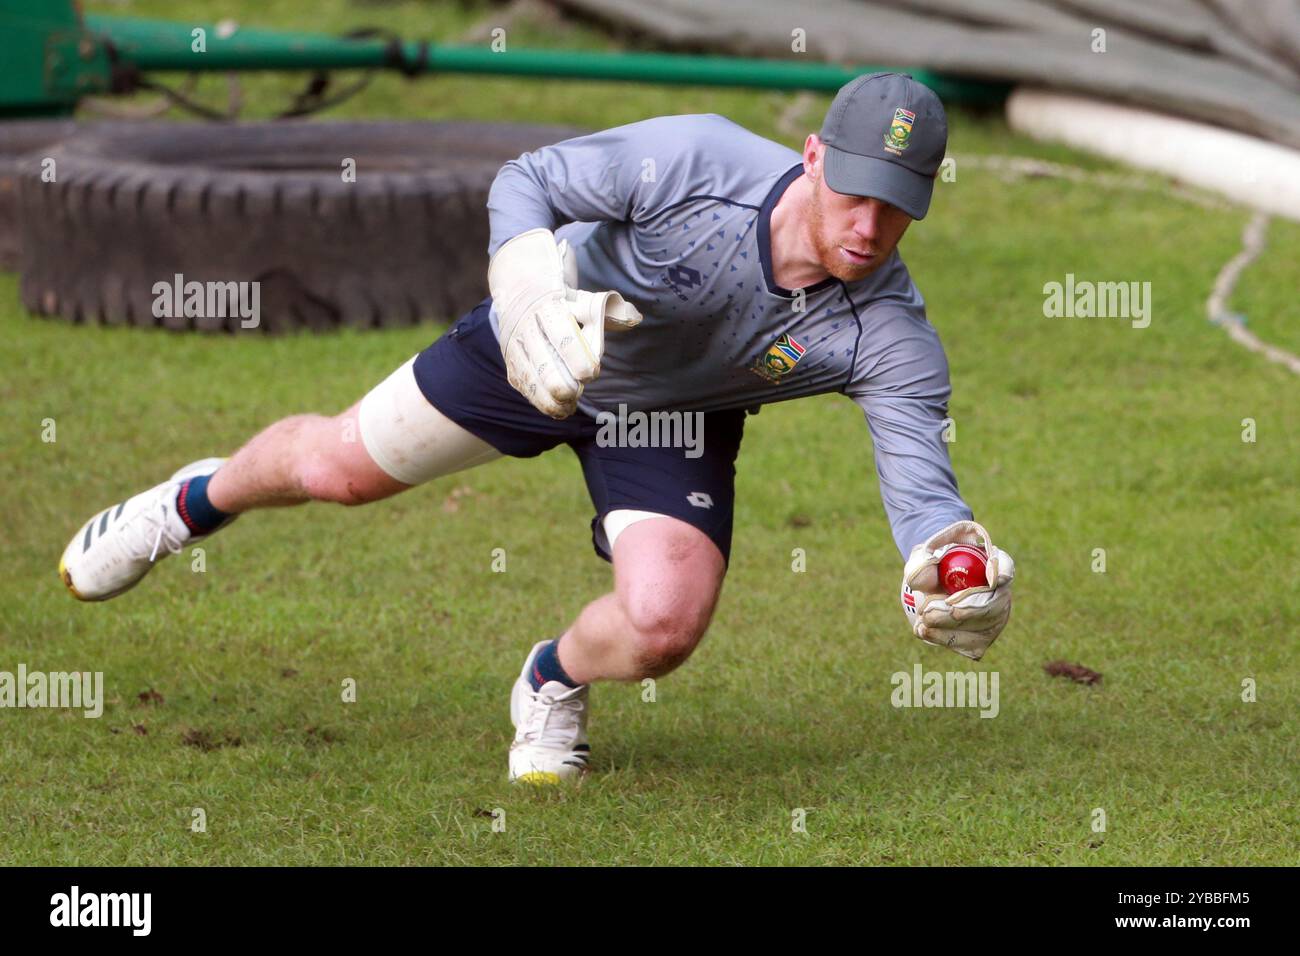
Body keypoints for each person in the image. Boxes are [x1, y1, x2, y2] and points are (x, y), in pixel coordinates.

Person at [58, 73, 1015, 785]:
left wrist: (950, 557)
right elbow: (530, 176)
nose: (869, 225)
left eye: (900, 207)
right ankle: (187, 504)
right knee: (337, 470)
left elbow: (921, 476)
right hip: (541, 341)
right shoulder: (696, 158)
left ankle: (551, 681)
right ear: (811, 156)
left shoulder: (889, 332)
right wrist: (525, 287)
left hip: (667, 418)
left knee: (666, 624)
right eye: (853, 190)